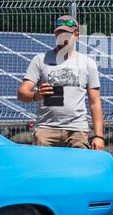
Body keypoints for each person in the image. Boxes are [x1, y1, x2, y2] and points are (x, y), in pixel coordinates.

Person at [17, 15, 106, 150]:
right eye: (59, 33)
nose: (62, 37)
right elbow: (22, 93)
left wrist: (99, 136)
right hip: (46, 130)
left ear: (76, 35)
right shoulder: (41, 60)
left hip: (77, 131)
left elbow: (95, 102)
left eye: (67, 34)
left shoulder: (88, 63)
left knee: (77, 170)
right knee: (45, 170)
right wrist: (36, 95)